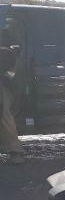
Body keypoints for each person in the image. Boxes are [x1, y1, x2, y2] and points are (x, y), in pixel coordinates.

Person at [0, 26, 24, 165]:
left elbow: (10, 76)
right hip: (6, 89)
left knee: (5, 117)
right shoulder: (8, 52)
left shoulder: (6, 54)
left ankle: (16, 152)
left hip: (3, 90)